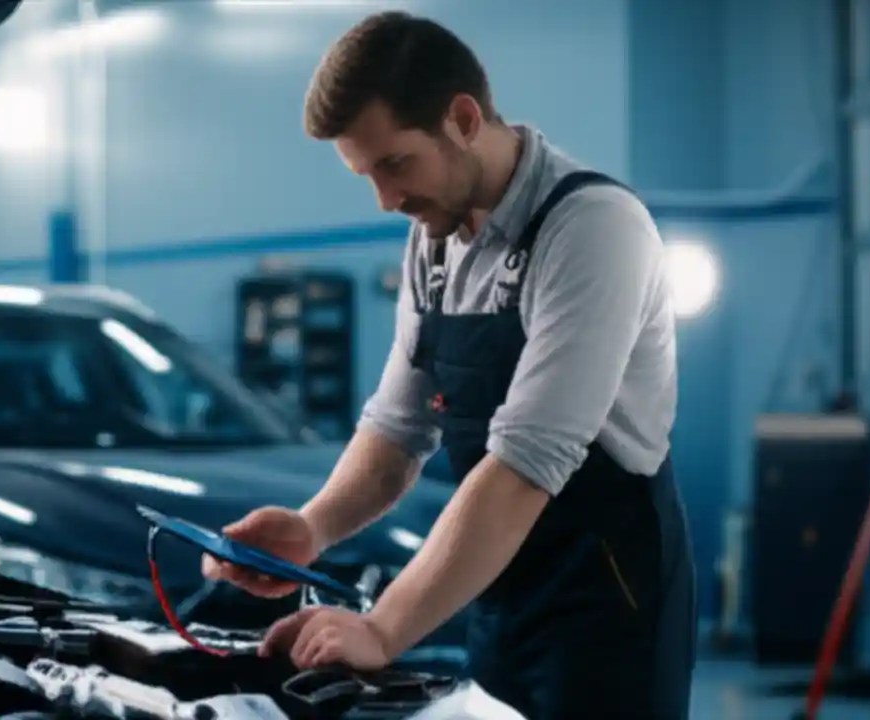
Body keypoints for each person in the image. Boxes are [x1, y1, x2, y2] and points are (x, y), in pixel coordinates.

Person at [203, 11, 696, 719]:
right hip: (494, 590)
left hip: (607, 600)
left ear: (463, 120)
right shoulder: (435, 240)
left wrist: (382, 629)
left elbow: (528, 462)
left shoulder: (593, 228)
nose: (387, 200)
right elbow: (396, 430)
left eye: (395, 164)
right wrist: (312, 529)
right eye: (367, 176)